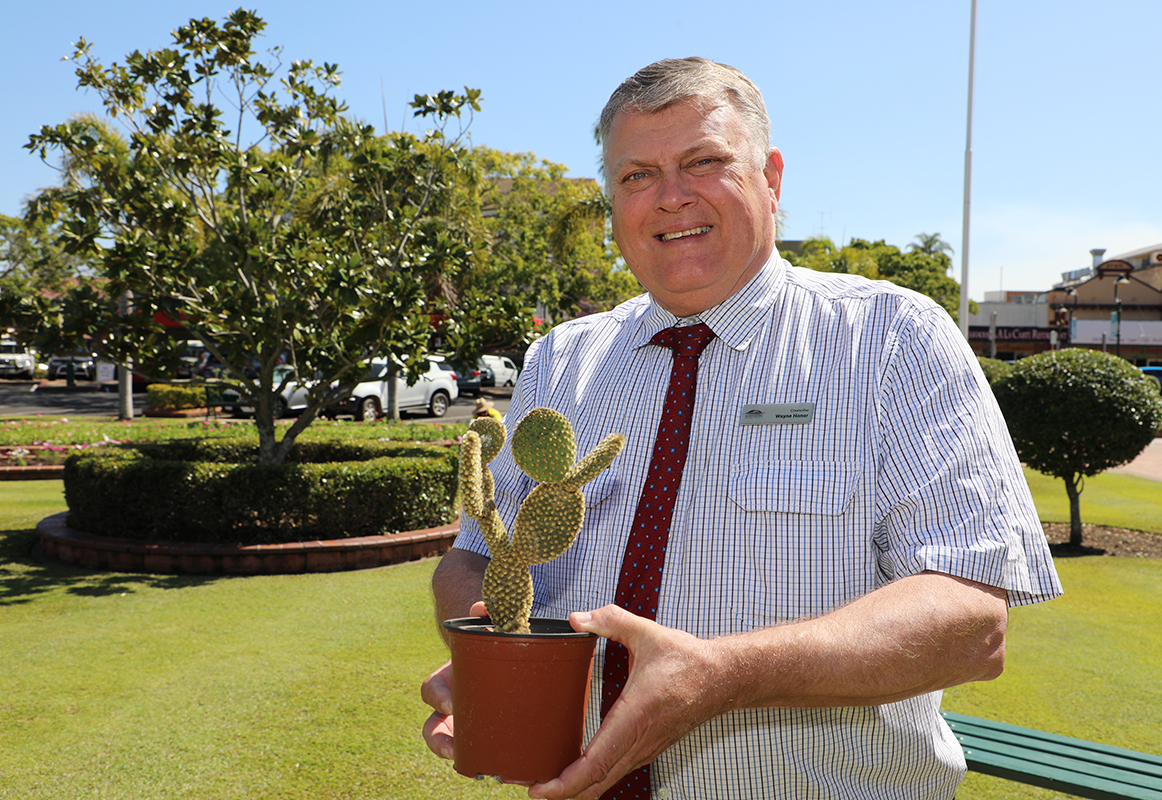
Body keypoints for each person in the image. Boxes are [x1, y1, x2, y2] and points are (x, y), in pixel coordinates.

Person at [422, 57, 1062, 800]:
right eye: (635, 176)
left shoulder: (892, 339)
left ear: (772, 178)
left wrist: (722, 676)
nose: (670, 197)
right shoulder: (560, 359)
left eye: (704, 162)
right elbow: (471, 560)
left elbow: (970, 620)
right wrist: (482, 651)